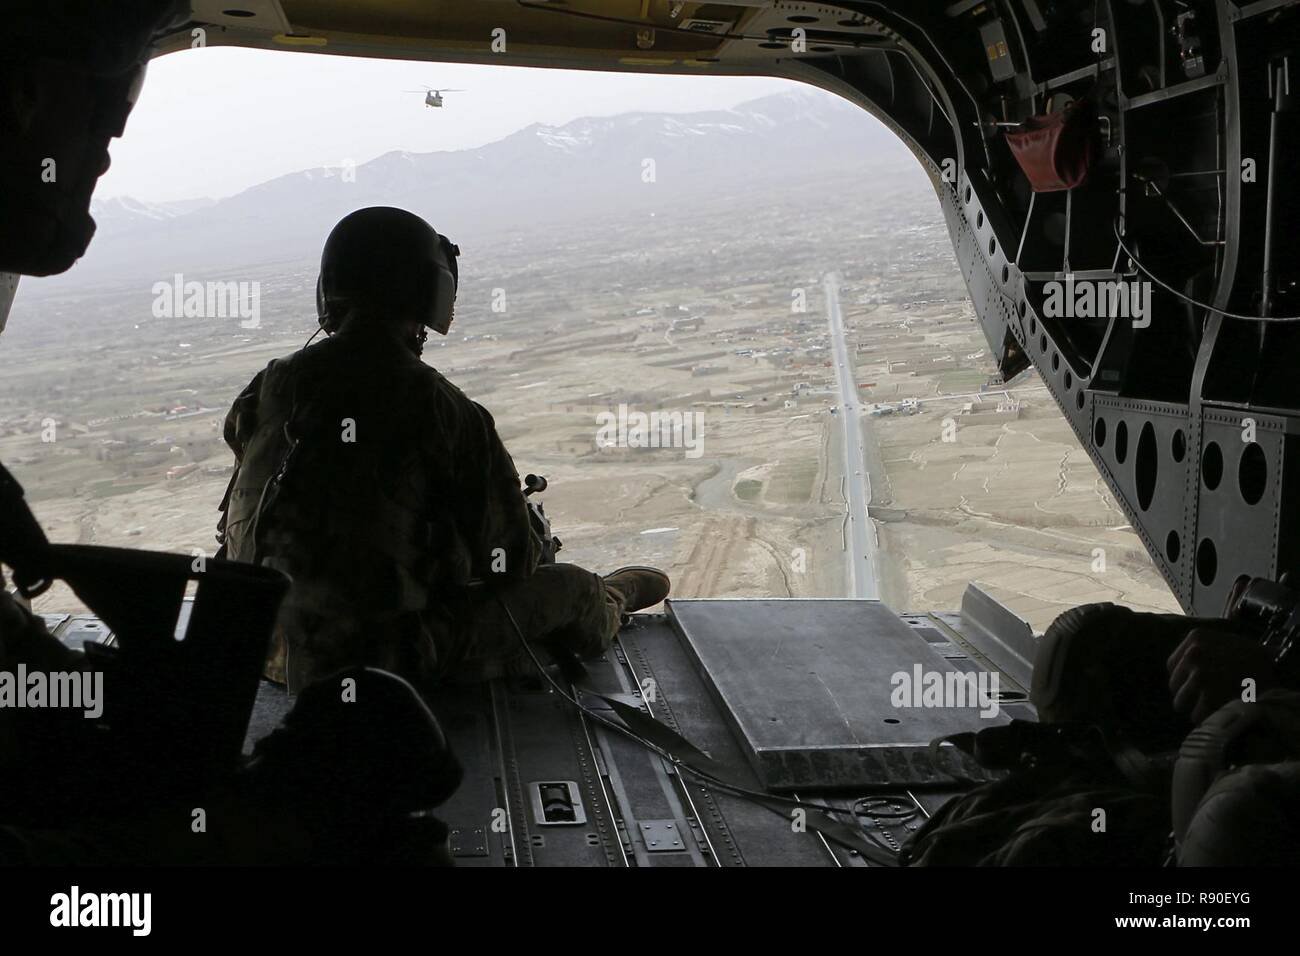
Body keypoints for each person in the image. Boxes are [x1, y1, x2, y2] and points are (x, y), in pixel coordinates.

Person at [217, 206, 670, 694]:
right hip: (373, 666)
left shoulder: (269, 385)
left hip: (257, 645)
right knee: (572, 588)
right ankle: (609, 601)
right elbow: (509, 559)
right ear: (431, 293)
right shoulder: (439, 407)